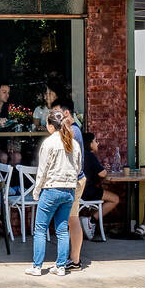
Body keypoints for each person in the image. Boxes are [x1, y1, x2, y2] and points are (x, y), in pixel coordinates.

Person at [26, 108, 81, 276]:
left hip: (51, 189)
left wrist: (36, 192)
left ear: (50, 126)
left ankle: (37, 266)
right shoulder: (74, 143)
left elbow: (42, 171)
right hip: (69, 190)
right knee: (62, 229)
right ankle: (61, 266)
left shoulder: (49, 143)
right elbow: (78, 168)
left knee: (40, 229)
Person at [53, 96, 88, 272]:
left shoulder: (73, 131)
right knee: (70, 220)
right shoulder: (73, 130)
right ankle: (73, 258)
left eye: (58, 114)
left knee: (72, 220)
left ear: (67, 113)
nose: (56, 118)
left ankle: (74, 260)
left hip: (74, 181)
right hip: (74, 180)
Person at [80, 131, 119, 240]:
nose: (98, 143)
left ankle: (90, 220)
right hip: (88, 191)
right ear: (90, 144)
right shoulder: (90, 156)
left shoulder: (80, 154)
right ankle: (91, 220)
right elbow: (102, 174)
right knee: (115, 199)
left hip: (78, 191)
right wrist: (105, 170)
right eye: (95, 141)